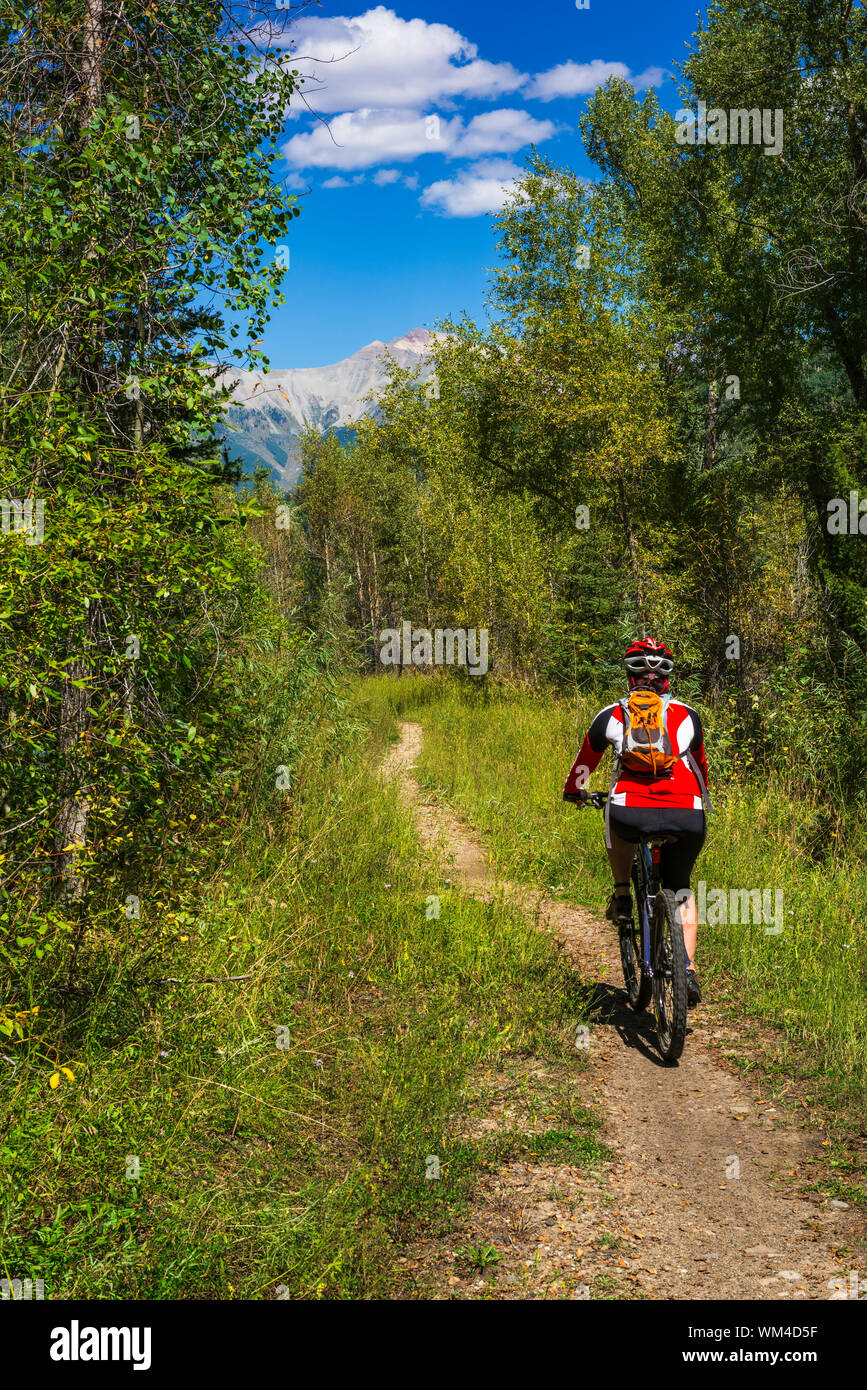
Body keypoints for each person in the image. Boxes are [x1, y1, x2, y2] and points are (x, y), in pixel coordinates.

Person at [563, 638, 710, 1006]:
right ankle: (687, 971)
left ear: (630, 677)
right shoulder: (689, 715)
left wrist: (574, 791)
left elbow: (585, 764)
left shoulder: (611, 715)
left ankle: (623, 893)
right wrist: (699, 800)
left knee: (615, 814)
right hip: (687, 813)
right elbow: (701, 769)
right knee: (680, 890)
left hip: (631, 811)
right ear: (667, 681)